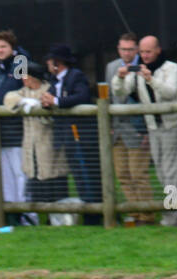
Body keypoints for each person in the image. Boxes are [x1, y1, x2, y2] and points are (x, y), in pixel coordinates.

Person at [120, 36, 177, 225]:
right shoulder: (138, 71)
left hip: (172, 126)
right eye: (142, 52)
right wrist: (120, 77)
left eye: (148, 52)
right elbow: (121, 92)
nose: (145, 55)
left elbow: (170, 92)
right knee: (163, 174)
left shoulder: (171, 68)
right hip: (153, 128)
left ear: (158, 50)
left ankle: (173, 216)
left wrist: (150, 79)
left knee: (170, 174)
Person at [42, 44, 100, 225]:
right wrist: (46, 102)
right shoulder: (54, 81)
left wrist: (57, 101)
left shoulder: (76, 76)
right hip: (66, 137)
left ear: (57, 63)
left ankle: (96, 215)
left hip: (80, 136)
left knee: (88, 175)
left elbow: (82, 97)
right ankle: (88, 212)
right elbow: (51, 98)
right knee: (79, 177)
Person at [4, 62, 69, 207]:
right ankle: (39, 218)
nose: (24, 80)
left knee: (53, 182)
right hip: (31, 147)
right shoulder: (23, 91)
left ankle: (59, 219)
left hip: (50, 145)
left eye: (26, 77)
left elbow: (51, 114)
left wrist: (39, 108)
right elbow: (8, 98)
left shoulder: (48, 90)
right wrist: (23, 101)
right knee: (35, 185)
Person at [107, 32, 154, 225]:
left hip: (138, 129)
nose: (126, 53)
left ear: (136, 49)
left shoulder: (145, 66)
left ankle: (149, 214)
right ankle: (135, 215)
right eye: (122, 49)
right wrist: (109, 125)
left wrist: (145, 131)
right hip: (117, 129)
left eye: (130, 49)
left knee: (139, 174)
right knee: (123, 175)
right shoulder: (111, 66)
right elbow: (108, 96)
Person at [0, 30, 31, 224]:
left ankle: (28, 216)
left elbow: (19, 86)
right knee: (6, 177)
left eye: (3, 46)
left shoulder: (21, 62)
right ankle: (12, 216)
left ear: (12, 48)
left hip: (17, 128)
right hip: (0, 131)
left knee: (21, 174)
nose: (0, 50)